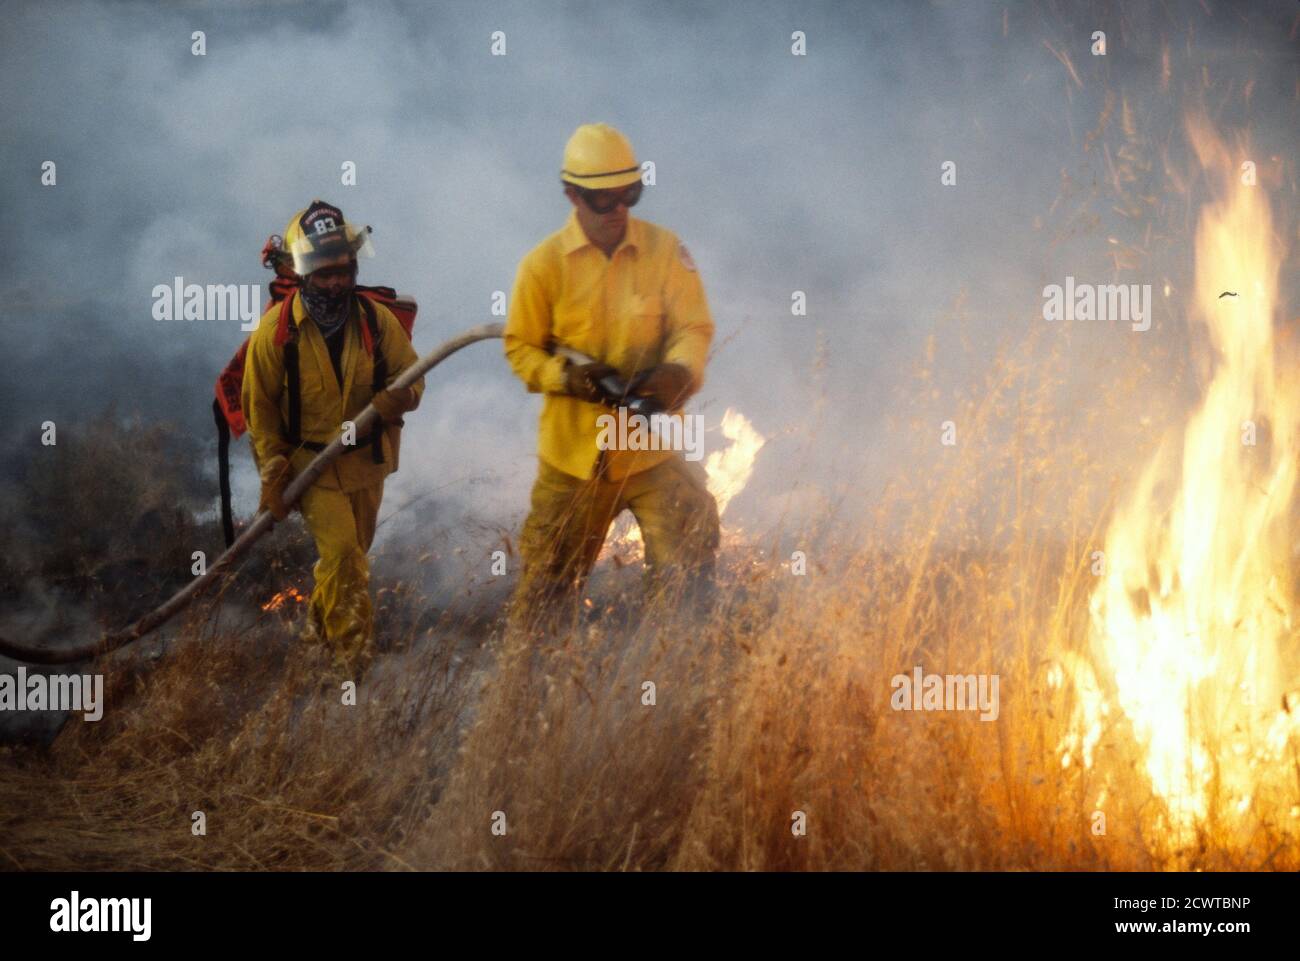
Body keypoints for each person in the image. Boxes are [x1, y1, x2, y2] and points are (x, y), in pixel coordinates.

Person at [504, 124, 720, 631]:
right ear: (572, 195)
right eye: (604, 199)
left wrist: (676, 373)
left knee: (687, 573)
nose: (619, 208)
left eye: (630, 194)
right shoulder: (543, 267)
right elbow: (520, 348)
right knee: (544, 600)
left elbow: (693, 326)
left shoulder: (666, 252)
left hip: (651, 449)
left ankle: (675, 680)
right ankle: (525, 694)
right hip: (575, 460)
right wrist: (567, 378)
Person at [242, 200, 423, 676]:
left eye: (342, 270)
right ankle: (352, 666)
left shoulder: (374, 319)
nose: (336, 282)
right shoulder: (276, 332)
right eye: (323, 275)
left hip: (367, 461)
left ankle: (310, 645)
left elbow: (414, 375)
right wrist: (272, 467)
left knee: (348, 561)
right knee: (343, 555)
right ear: (304, 275)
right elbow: (258, 407)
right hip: (310, 467)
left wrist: (395, 399)